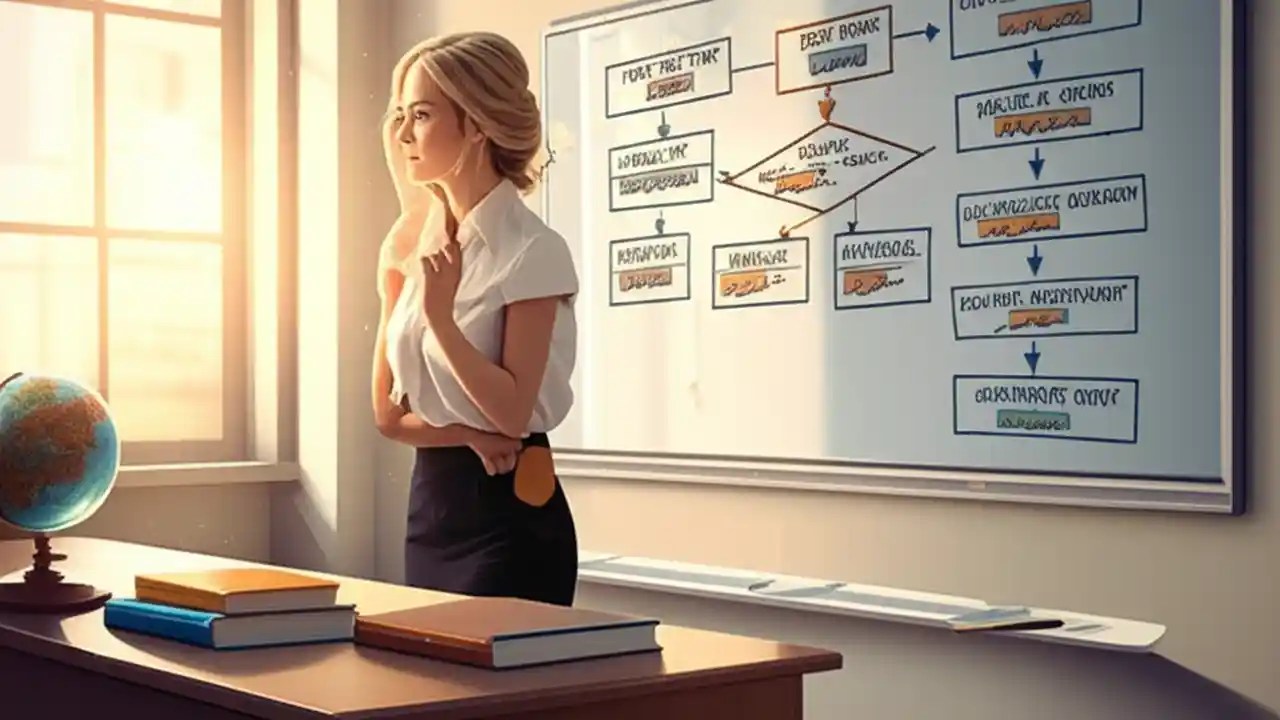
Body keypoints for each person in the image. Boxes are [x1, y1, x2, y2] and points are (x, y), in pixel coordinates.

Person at [371, 32, 579, 607]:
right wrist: (467, 434)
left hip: (512, 518)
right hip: (432, 511)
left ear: (477, 125)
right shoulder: (411, 243)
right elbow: (386, 414)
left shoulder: (534, 250)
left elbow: (511, 414)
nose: (404, 135)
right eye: (400, 117)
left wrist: (440, 318)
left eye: (421, 115)